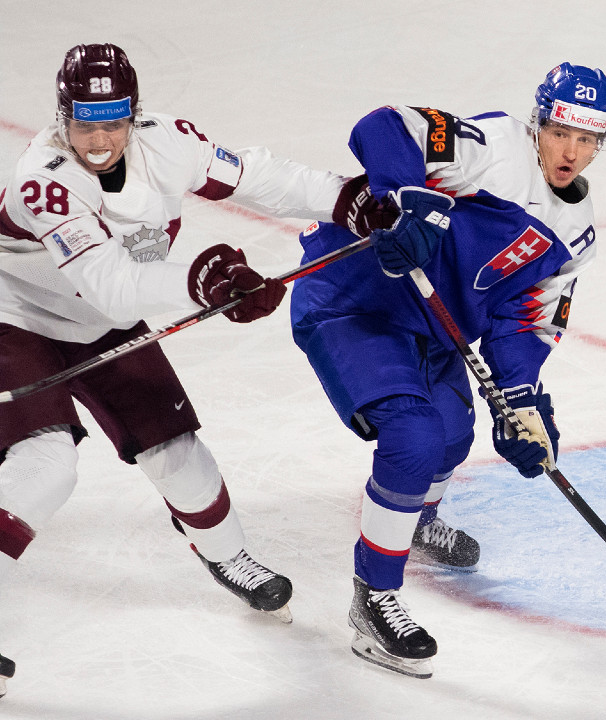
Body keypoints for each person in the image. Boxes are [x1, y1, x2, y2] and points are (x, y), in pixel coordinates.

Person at [0, 43, 384, 694]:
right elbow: (111, 285)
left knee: (175, 449)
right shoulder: (45, 180)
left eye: (113, 120)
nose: (99, 139)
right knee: (47, 466)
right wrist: (206, 279)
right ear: (62, 118)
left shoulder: (168, 142)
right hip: (18, 317)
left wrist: (346, 199)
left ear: (134, 114)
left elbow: (258, 175)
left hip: (102, 323)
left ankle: (227, 555)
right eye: (84, 122)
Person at [289, 62, 606, 678]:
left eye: (588, 139)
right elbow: (384, 127)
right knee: (412, 439)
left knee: (453, 437)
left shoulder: (578, 233)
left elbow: (526, 319)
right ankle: (374, 597)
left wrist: (520, 398)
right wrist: (408, 203)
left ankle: (415, 519)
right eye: (561, 132)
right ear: (537, 123)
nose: (571, 151)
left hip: (432, 331)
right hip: (353, 300)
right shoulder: (491, 149)